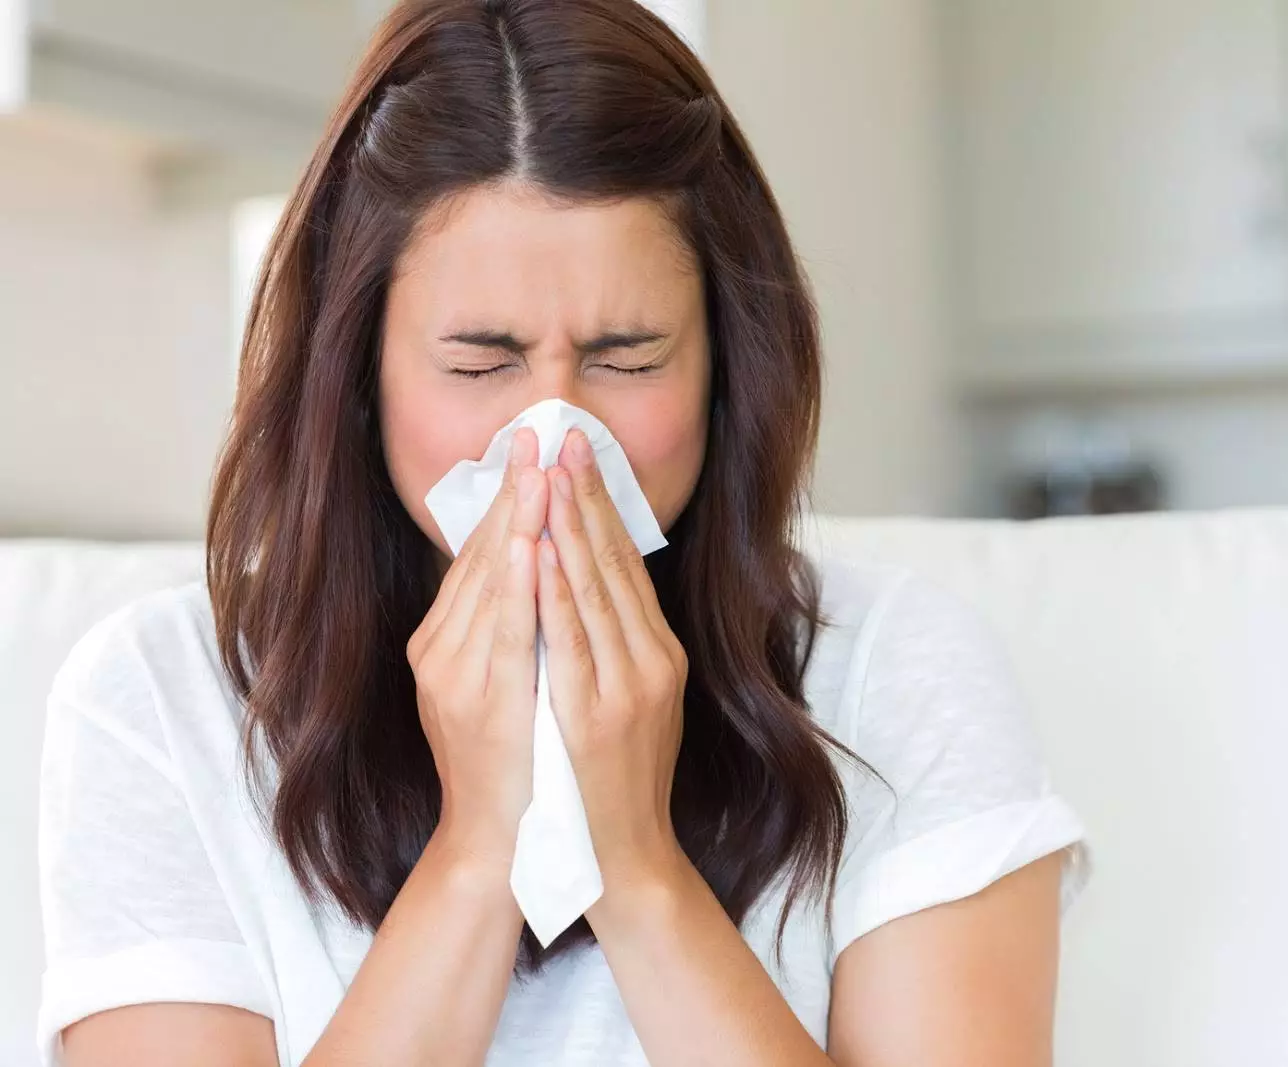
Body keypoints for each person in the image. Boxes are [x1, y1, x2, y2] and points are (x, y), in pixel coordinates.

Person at [35, 1, 1089, 1064]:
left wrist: (634, 864)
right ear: (359, 373)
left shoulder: (899, 671)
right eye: (479, 363)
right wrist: (479, 846)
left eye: (627, 358)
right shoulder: (159, 700)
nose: (553, 441)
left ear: (728, 370)